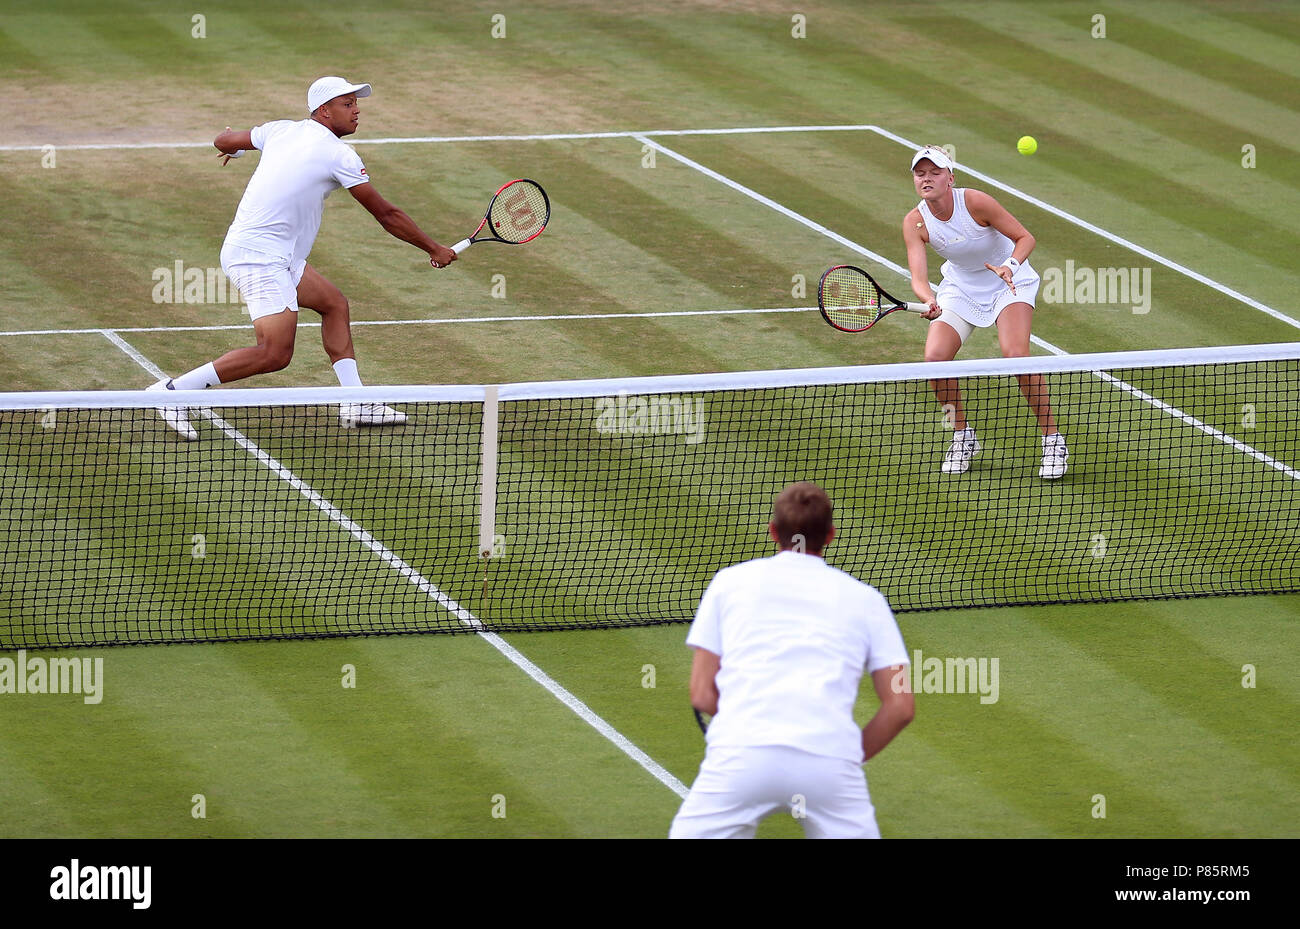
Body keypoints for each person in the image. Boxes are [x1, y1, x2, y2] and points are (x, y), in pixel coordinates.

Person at [148, 75, 458, 439]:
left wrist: (235, 149)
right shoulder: (338, 154)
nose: (357, 110)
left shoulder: (280, 130)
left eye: (357, 103)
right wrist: (434, 248)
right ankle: (172, 393)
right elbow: (386, 214)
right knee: (275, 354)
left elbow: (223, 140)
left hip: (276, 255)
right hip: (259, 257)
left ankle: (356, 401)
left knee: (333, 305)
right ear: (324, 111)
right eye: (347, 104)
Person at [668, 482, 914, 839]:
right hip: (828, 762)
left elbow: (702, 696)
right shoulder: (868, 601)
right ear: (829, 535)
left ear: (773, 532)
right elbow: (901, 705)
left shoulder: (728, 584)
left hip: (741, 756)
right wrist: (842, 756)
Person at [902, 145, 1068, 479]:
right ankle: (962, 435)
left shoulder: (975, 202)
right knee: (934, 359)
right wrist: (929, 299)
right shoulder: (915, 221)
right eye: (921, 173)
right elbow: (919, 279)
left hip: (1009, 279)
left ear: (951, 177)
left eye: (935, 172)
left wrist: (1010, 265)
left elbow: (1025, 237)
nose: (927, 178)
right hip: (961, 287)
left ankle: (1053, 440)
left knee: (1016, 356)